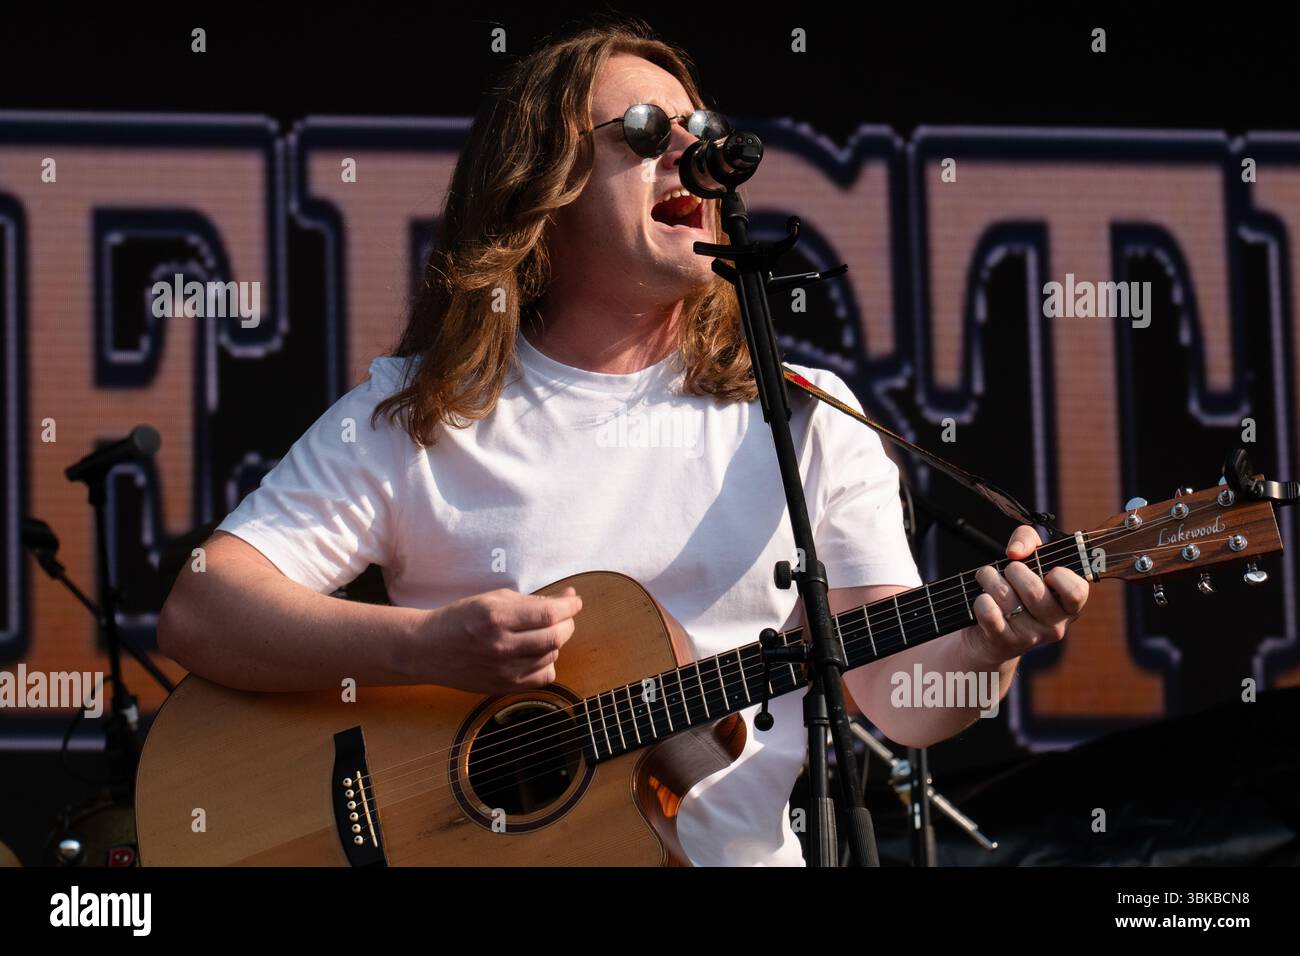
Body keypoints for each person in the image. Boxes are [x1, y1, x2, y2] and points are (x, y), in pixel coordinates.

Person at [158, 18, 1089, 866]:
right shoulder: (422, 409)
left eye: (704, 129)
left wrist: (990, 650)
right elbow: (204, 612)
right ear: (541, 190)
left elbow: (896, 697)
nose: (694, 150)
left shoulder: (806, 416)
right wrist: (424, 647)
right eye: (647, 132)